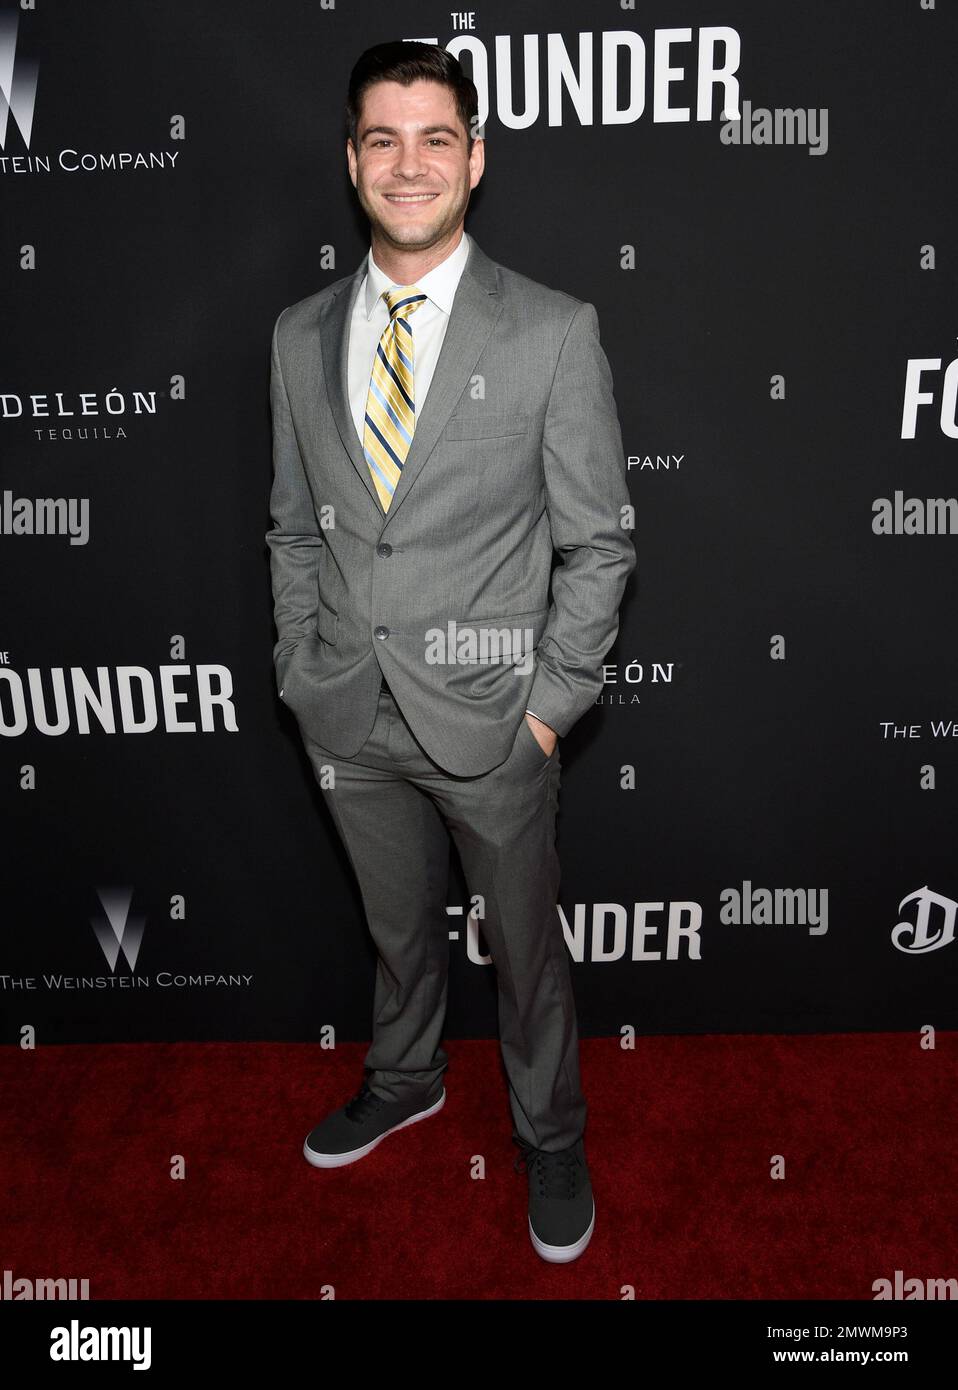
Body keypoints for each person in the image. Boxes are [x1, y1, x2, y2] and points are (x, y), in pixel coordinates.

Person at [266, 39, 635, 1264]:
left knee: (526, 957)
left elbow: (599, 546)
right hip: (345, 712)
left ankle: (550, 1133)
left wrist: (547, 711)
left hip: (494, 721)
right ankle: (407, 1072)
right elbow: (289, 521)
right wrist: (297, 661)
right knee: (395, 928)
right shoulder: (296, 335)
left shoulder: (551, 331)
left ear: (475, 158)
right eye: (383, 138)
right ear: (352, 160)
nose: (408, 162)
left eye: (436, 137)